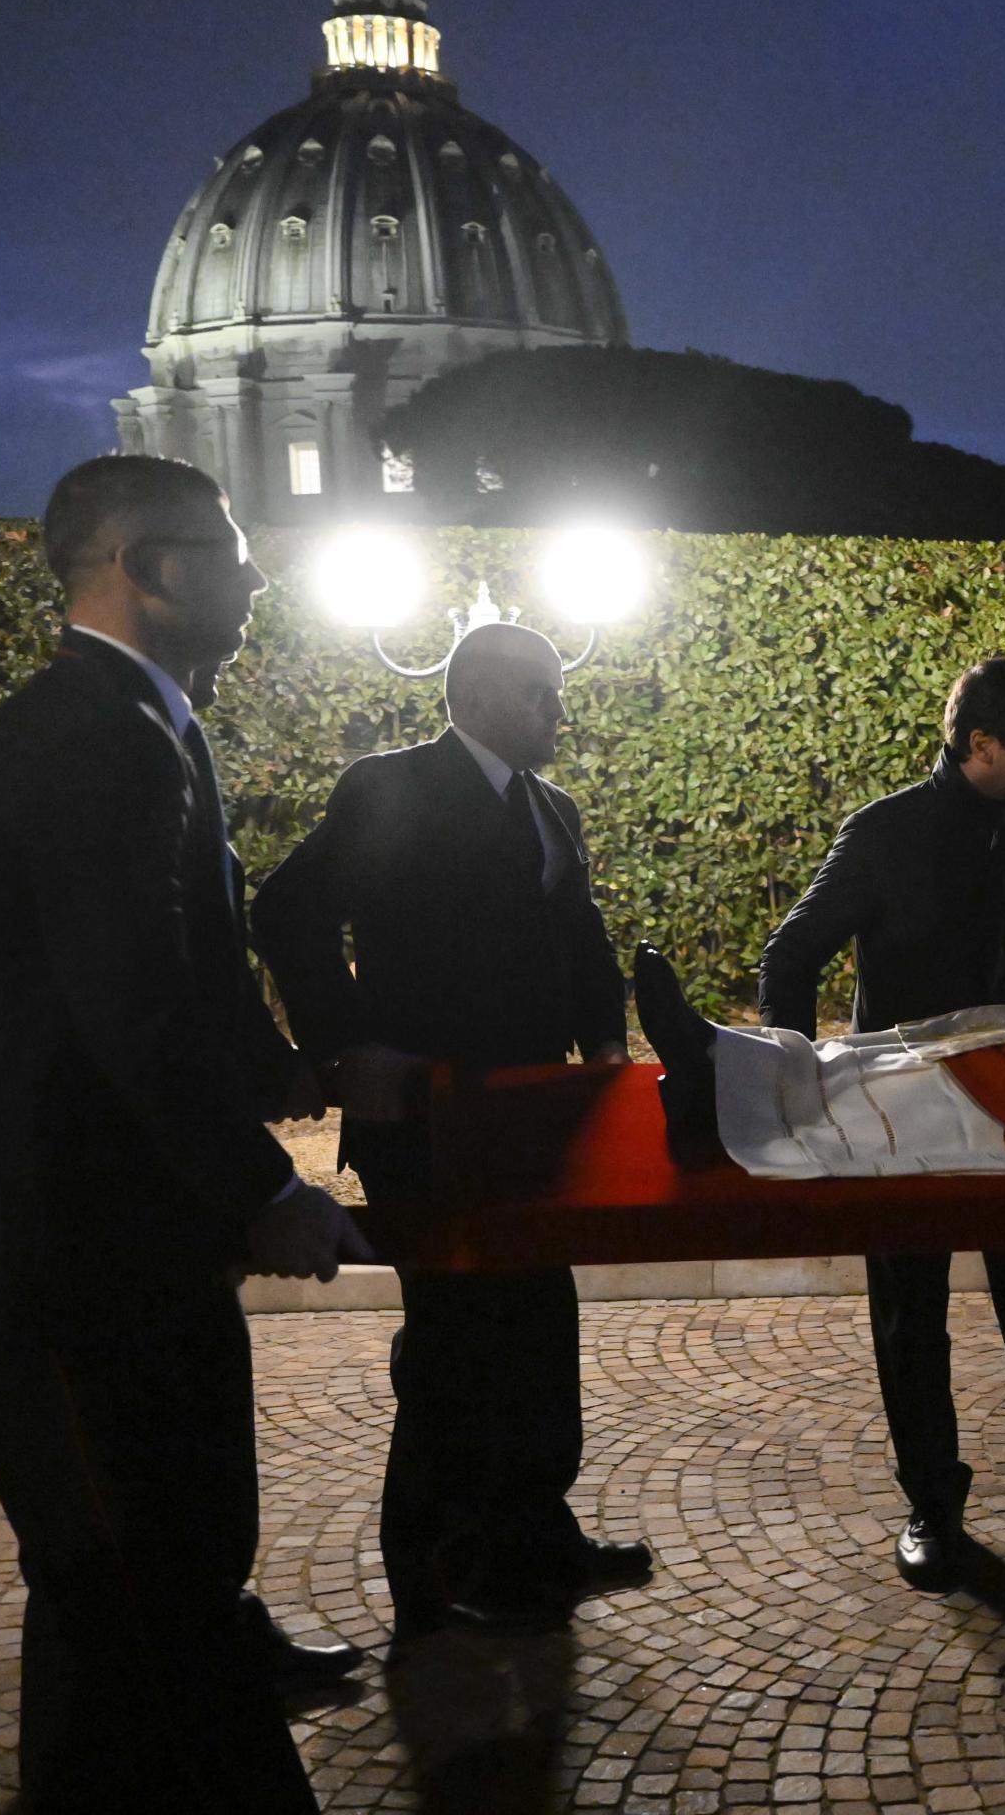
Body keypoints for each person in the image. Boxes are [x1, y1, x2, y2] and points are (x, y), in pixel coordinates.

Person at [0, 452, 368, 1814]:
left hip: (77, 1229)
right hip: (39, 1244)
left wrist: (302, 1067)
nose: (254, 580)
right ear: (150, 570)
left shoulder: (126, 720)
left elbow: (183, 965)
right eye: (230, 556)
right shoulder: (105, 737)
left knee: (126, 1574)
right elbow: (129, 1003)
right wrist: (265, 1188)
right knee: (146, 1577)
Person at [252, 623, 659, 1645]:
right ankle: (435, 1565)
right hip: (426, 1115)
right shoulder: (388, 786)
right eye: (541, 693)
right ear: (475, 691)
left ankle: (534, 1537)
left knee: (538, 1325)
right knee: (450, 1342)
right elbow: (287, 908)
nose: (559, 713)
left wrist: (606, 1037)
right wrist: (348, 1047)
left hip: (532, 1117)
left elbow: (582, 936)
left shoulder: (549, 806)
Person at [758, 656, 1005, 1591]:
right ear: (981, 745)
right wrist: (797, 1081)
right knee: (910, 1313)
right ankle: (932, 1505)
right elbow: (792, 952)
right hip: (903, 1110)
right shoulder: (883, 833)